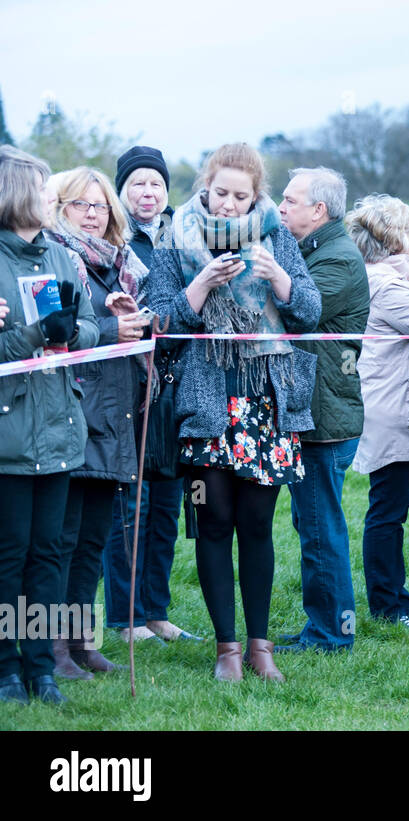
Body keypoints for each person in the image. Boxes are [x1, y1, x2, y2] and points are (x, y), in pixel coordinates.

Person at [144, 142, 322, 682]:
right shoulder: (176, 238)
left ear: (256, 197)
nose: (228, 204)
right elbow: (160, 325)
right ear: (206, 186)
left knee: (257, 525)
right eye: (220, 193)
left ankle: (259, 646)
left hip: (266, 403)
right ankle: (226, 649)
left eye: (239, 196)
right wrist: (200, 286)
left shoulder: (276, 237)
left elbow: (310, 313)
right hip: (207, 404)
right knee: (214, 521)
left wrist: (279, 278)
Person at [0, 145, 100, 705]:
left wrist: (69, 331)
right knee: (8, 554)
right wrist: (33, 334)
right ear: (17, 193)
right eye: (43, 190)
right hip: (9, 434)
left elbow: (87, 328)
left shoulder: (62, 257)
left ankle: (41, 667)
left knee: (48, 554)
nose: (51, 200)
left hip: (59, 429)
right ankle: (6, 666)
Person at [47, 166, 152, 679]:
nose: (92, 215)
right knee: (60, 540)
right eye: (80, 205)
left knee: (92, 539)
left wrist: (137, 323)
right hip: (72, 412)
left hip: (115, 413)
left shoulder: (121, 265)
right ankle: (52, 651)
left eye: (100, 206)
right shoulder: (55, 257)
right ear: (58, 209)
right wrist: (113, 327)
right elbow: (56, 335)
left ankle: (83, 643)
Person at [101, 145, 196, 645]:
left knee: (166, 501)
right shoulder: (117, 242)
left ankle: (156, 610)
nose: (148, 192)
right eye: (137, 183)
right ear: (121, 192)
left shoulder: (184, 236)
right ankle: (125, 616)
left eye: (156, 183)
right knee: (130, 502)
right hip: (131, 383)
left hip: (178, 385)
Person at [275, 166, 369, 654]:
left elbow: (294, 308)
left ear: (320, 210)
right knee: (312, 524)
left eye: (290, 201)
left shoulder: (338, 260)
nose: (280, 207)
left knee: (320, 526)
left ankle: (333, 633)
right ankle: (325, 625)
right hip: (315, 410)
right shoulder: (314, 250)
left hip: (325, 416)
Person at [347, 194, 409, 633]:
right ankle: (390, 606)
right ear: (395, 241)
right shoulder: (388, 288)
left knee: (388, 510)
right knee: (388, 513)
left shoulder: (374, 279)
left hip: (387, 404)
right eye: (407, 230)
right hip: (393, 409)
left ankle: (392, 600)